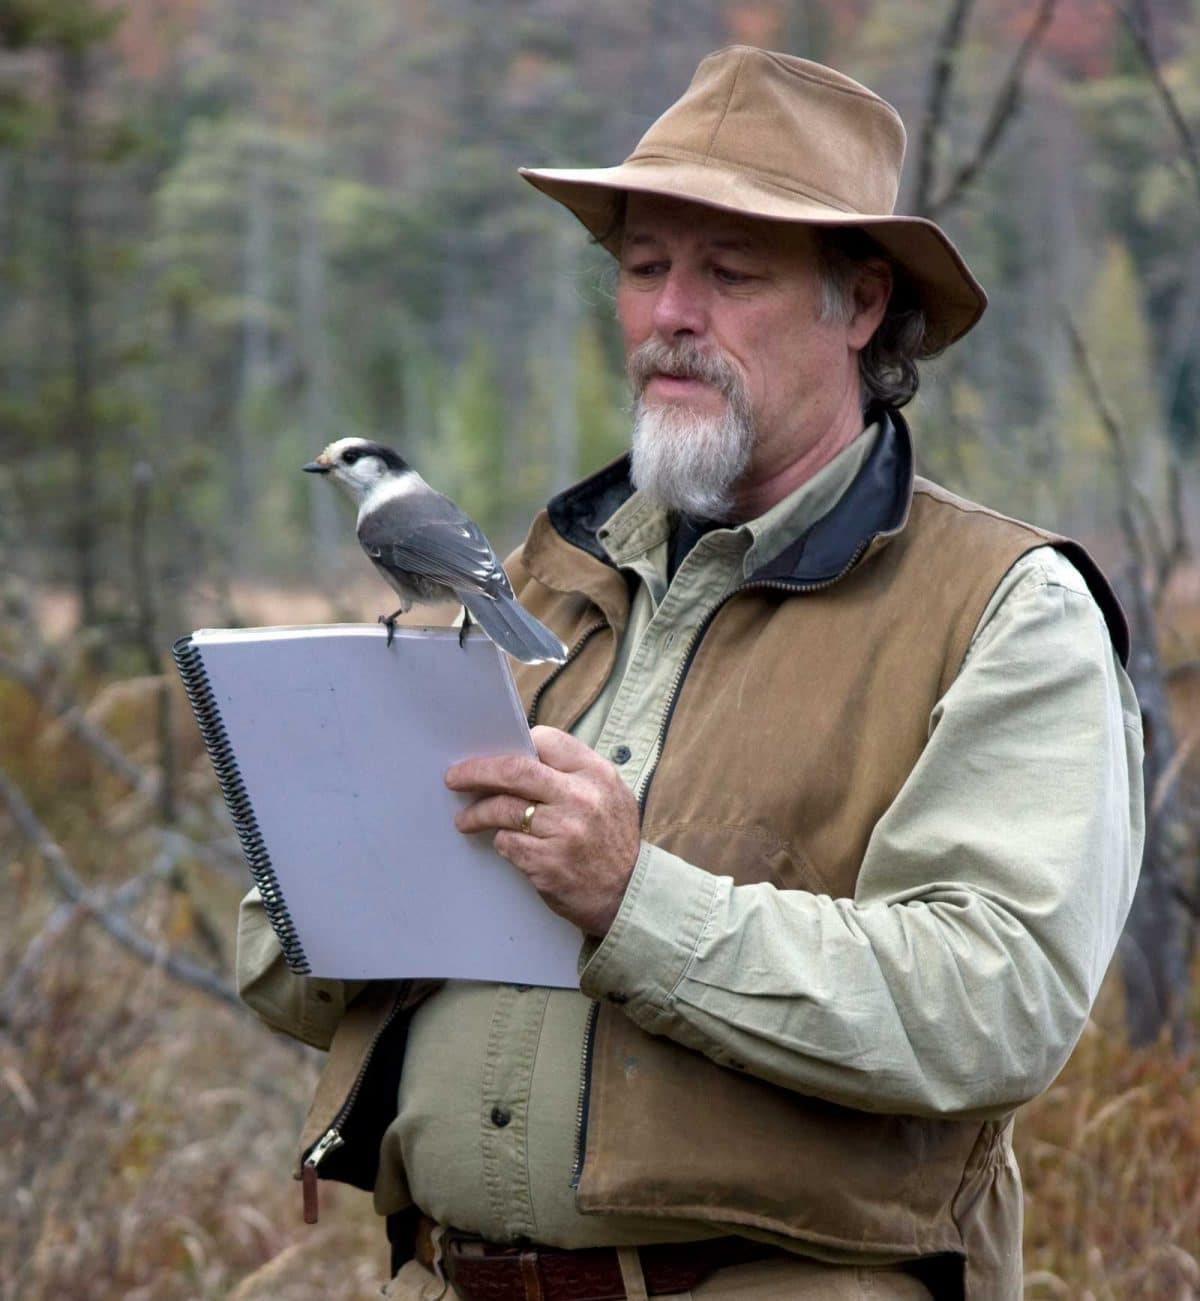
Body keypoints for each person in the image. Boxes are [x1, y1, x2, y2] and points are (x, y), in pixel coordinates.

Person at [236, 46, 1143, 1301]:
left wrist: (633, 902)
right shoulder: (534, 582)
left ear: (861, 305)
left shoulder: (1003, 609)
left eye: (729, 272)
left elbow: (998, 1006)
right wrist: (337, 866)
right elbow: (283, 974)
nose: (670, 312)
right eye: (644, 266)